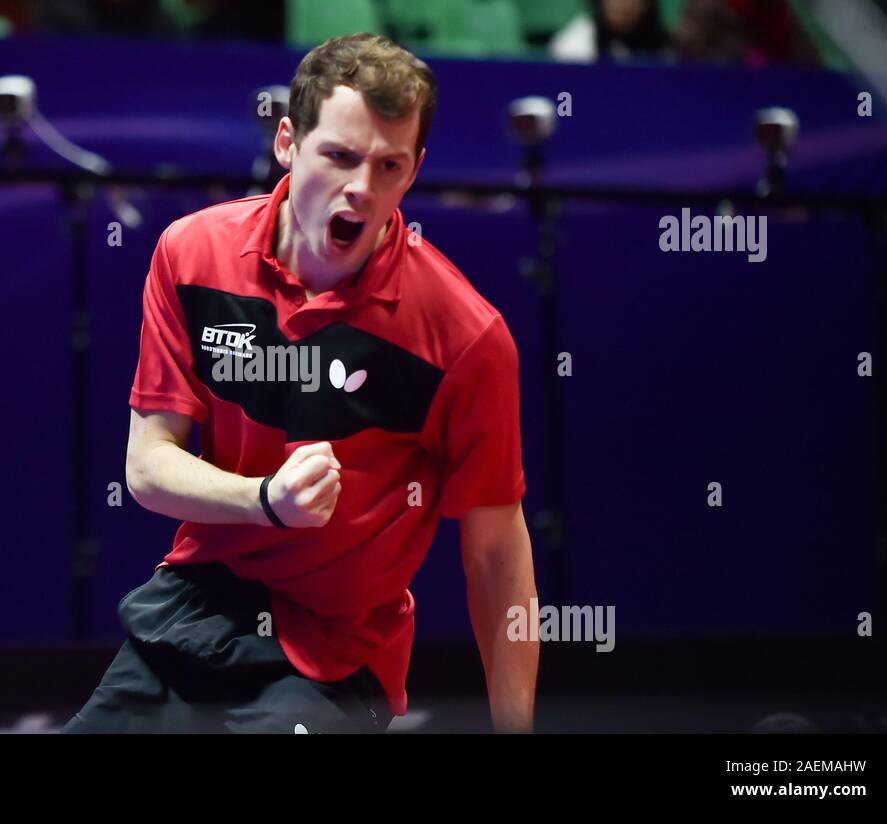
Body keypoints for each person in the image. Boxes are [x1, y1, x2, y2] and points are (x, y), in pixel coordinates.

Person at [64, 33, 538, 734]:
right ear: (287, 141)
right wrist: (265, 501)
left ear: (414, 173)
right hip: (194, 610)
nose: (362, 189)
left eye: (389, 166)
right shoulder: (193, 254)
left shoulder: (465, 337)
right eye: (341, 156)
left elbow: (497, 550)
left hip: (336, 657)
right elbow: (147, 466)